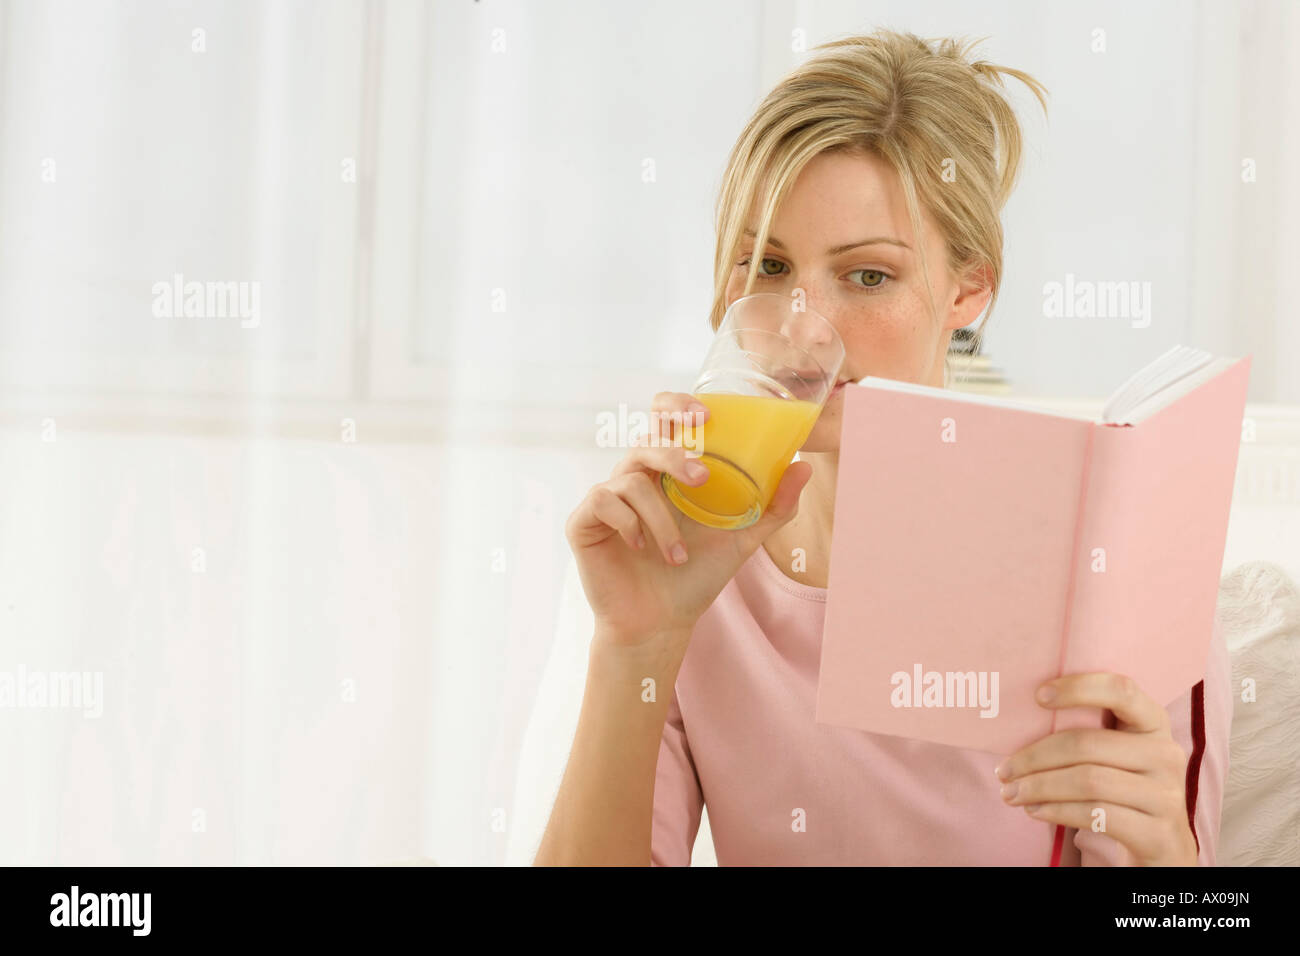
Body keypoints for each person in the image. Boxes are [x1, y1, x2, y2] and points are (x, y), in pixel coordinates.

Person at [533, 28, 1230, 866]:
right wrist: (635, 642)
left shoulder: (1112, 590)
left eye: (868, 276)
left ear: (968, 288)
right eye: (770, 265)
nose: (804, 327)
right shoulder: (695, 567)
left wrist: (1170, 873)